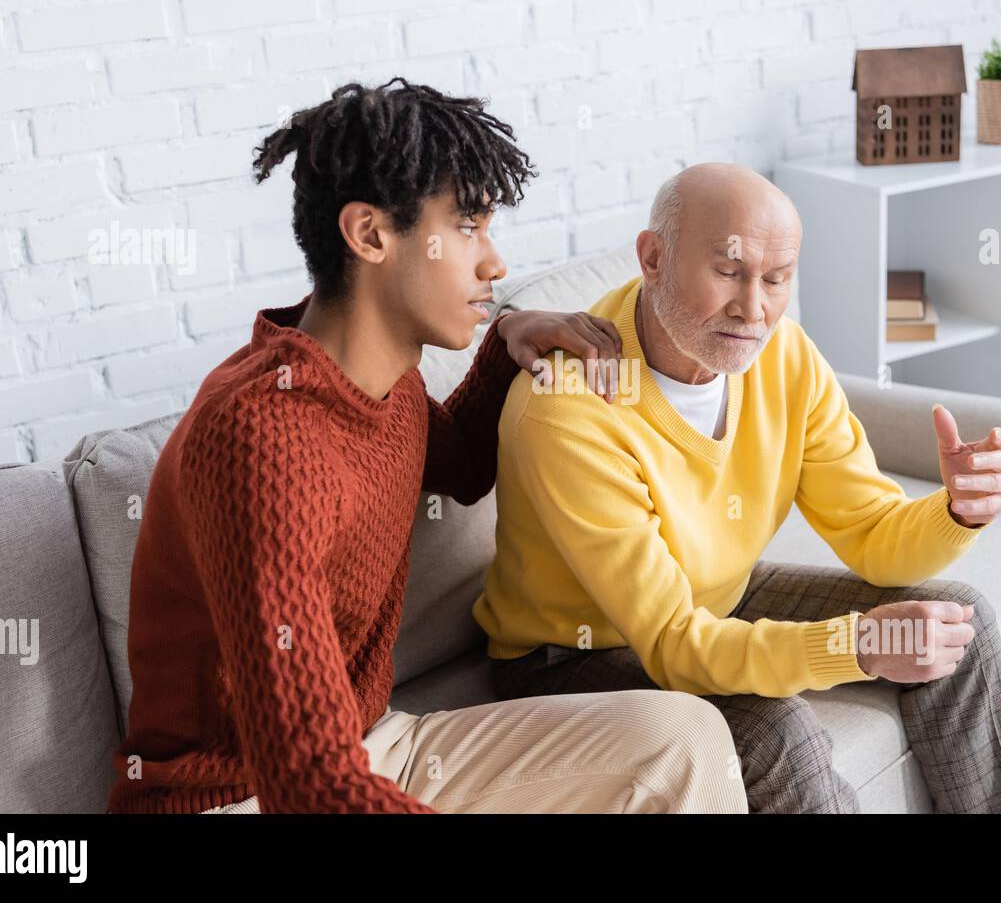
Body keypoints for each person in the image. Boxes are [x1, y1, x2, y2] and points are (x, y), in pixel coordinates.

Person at [107, 82, 747, 815]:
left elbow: (464, 468)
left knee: (682, 735)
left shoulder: (386, 376)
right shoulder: (260, 440)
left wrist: (507, 345)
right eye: (468, 226)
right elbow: (306, 782)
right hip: (240, 799)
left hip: (373, 751)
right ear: (370, 235)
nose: (495, 262)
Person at [475, 162, 1001, 814]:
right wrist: (854, 646)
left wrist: (958, 512)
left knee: (959, 624)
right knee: (779, 732)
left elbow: (873, 535)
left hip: (713, 599)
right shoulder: (568, 406)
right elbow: (671, 642)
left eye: (777, 280)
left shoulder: (785, 357)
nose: (754, 308)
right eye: (728, 271)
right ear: (653, 257)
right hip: (569, 655)